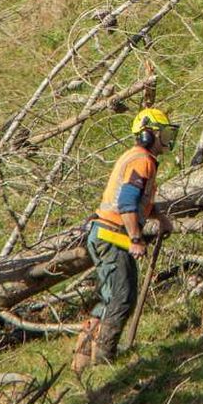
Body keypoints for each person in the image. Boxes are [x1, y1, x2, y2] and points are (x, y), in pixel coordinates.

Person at [74, 107, 176, 372]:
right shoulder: (141, 160)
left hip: (107, 234)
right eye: (161, 133)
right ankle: (104, 358)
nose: (166, 138)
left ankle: (83, 358)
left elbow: (140, 200)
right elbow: (127, 203)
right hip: (113, 235)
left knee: (113, 296)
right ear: (147, 135)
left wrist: (159, 217)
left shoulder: (140, 159)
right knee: (122, 296)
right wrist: (135, 238)